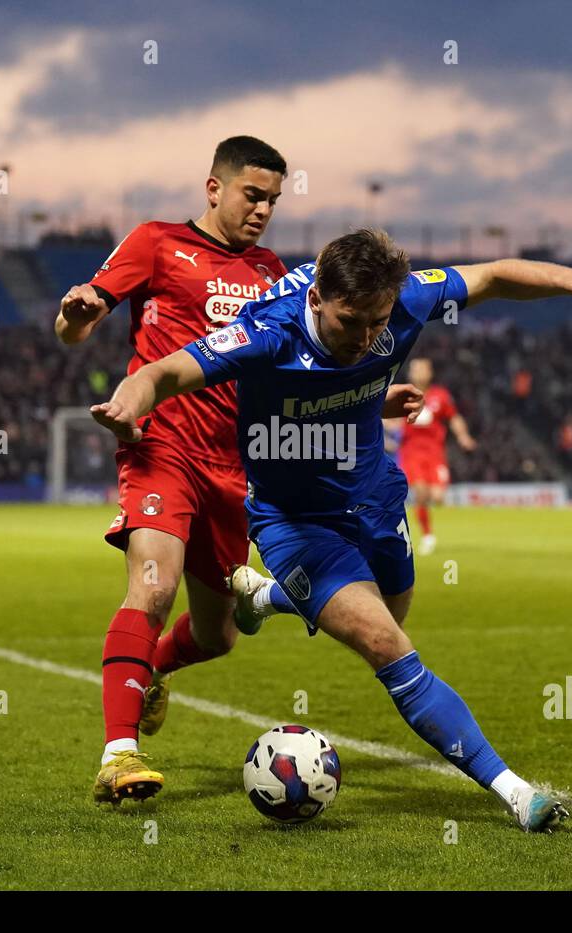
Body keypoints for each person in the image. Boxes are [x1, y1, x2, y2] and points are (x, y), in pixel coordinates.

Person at [91, 228, 572, 829]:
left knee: (395, 609)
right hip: (294, 523)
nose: (367, 338)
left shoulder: (409, 299)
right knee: (388, 645)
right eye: (351, 321)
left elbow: (492, 275)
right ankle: (517, 793)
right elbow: (161, 374)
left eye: (378, 322)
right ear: (316, 299)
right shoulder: (267, 331)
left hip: (375, 500)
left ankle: (267, 597)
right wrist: (129, 405)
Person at [56, 139, 422, 804]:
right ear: (214, 188)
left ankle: (156, 669)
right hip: (162, 443)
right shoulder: (157, 242)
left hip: (240, 464)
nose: (262, 210)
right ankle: (119, 755)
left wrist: (372, 397)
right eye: (253, 195)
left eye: (274, 200)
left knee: (218, 634)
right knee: (153, 585)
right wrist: (74, 317)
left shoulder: (275, 271)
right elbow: (76, 327)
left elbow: (301, 368)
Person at [387, 357, 476, 555]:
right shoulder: (402, 395)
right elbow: (389, 419)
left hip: (435, 452)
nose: (418, 373)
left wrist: (463, 436)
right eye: (415, 369)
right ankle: (427, 536)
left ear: (430, 373)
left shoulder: (440, 395)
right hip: (411, 452)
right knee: (420, 493)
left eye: (422, 369)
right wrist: (386, 429)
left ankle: (425, 525)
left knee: (438, 497)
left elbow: (454, 417)